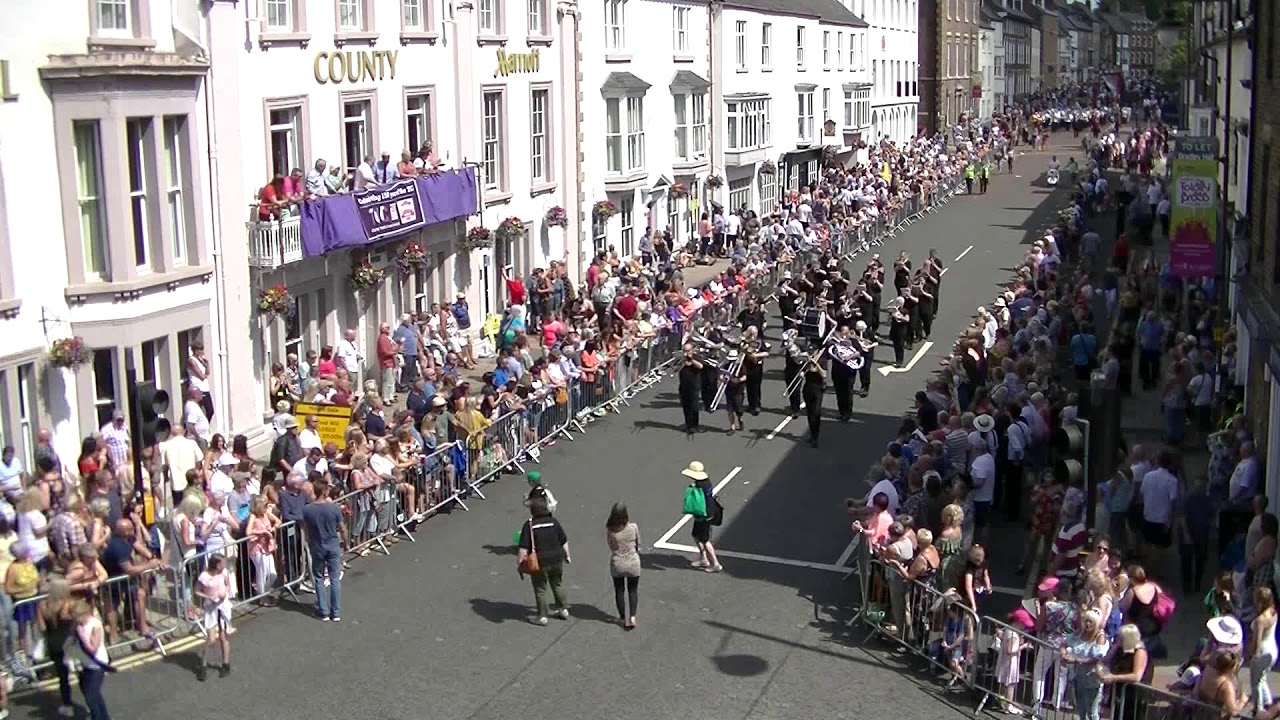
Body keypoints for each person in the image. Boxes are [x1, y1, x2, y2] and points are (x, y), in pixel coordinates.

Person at [517, 496, 571, 626]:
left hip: (539, 561)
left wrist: (520, 564)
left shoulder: (530, 525)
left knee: (540, 588)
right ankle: (562, 609)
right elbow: (563, 540)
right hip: (556, 558)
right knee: (557, 584)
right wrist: (567, 556)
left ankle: (542, 616)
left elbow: (523, 548)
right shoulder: (553, 522)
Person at [302, 478, 344, 622]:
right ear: (325, 491)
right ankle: (336, 612)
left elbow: (306, 529)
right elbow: (342, 528)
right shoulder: (334, 508)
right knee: (334, 578)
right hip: (332, 544)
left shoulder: (307, 509)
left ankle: (323, 611)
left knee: (319, 577)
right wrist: (345, 542)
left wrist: (308, 542)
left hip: (317, 545)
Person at [68, 599, 112, 720]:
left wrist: (82, 634)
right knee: (93, 694)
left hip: (97, 664)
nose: (77, 620)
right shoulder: (77, 625)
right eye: (75, 617)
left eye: (78, 617)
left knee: (90, 696)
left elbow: (93, 648)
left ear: (86, 613)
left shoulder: (95, 625)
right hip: (84, 664)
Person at [194, 554, 233, 681]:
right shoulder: (204, 576)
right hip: (211, 608)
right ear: (217, 565)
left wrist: (224, 592)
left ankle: (226, 664)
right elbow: (197, 591)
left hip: (222, 607)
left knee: (223, 637)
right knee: (211, 639)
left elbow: (227, 585)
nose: (225, 565)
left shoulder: (224, 573)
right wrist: (208, 597)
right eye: (223, 563)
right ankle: (203, 664)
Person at [605, 503, 641, 630]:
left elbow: (611, 546)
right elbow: (638, 543)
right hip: (633, 562)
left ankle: (622, 618)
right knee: (633, 590)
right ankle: (632, 617)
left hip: (618, 563)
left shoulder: (611, 530)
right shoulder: (633, 527)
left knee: (619, 591)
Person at [682, 461, 722, 572]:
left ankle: (715, 564)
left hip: (704, 516)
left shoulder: (699, 486)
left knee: (705, 540)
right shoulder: (705, 482)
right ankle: (704, 558)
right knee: (695, 535)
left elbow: (695, 500)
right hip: (706, 513)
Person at [677, 343, 704, 435]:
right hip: (683, 385)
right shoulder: (681, 359)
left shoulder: (696, 357)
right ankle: (688, 425)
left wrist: (691, 359)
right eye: (684, 350)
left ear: (692, 350)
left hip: (694, 385)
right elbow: (676, 368)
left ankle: (694, 426)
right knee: (686, 406)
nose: (686, 352)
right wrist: (682, 361)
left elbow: (700, 366)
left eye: (688, 350)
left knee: (694, 406)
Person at [802, 351, 827, 448]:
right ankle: (812, 434)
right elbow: (802, 372)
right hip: (807, 388)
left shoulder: (822, 361)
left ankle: (815, 437)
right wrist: (802, 372)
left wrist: (817, 365)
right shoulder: (807, 362)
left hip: (818, 389)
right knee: (809, 413)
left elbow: (824, 375)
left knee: (816, 413)